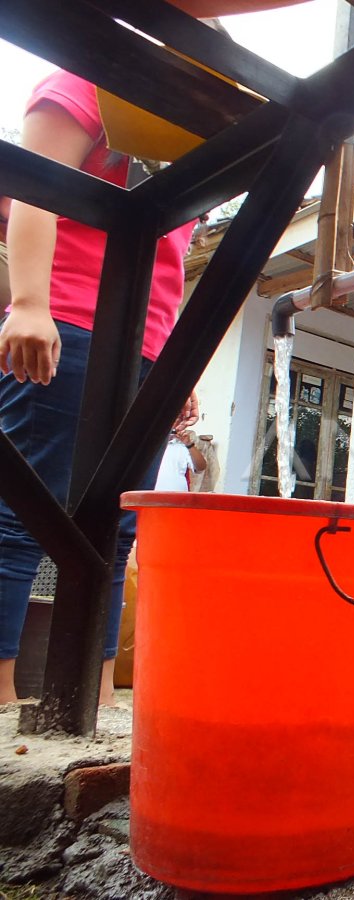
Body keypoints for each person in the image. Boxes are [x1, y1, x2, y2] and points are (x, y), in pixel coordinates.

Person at [0, 70, 195, 706]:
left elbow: (171, 262)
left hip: (143, 348)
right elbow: (33, 189)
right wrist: (30, 303)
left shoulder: (183, 127)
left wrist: (174, 365)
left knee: (113, 535)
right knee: (20, 517)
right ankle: (2, 697)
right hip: (68, 325)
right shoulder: (86, 81)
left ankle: (98, 696)